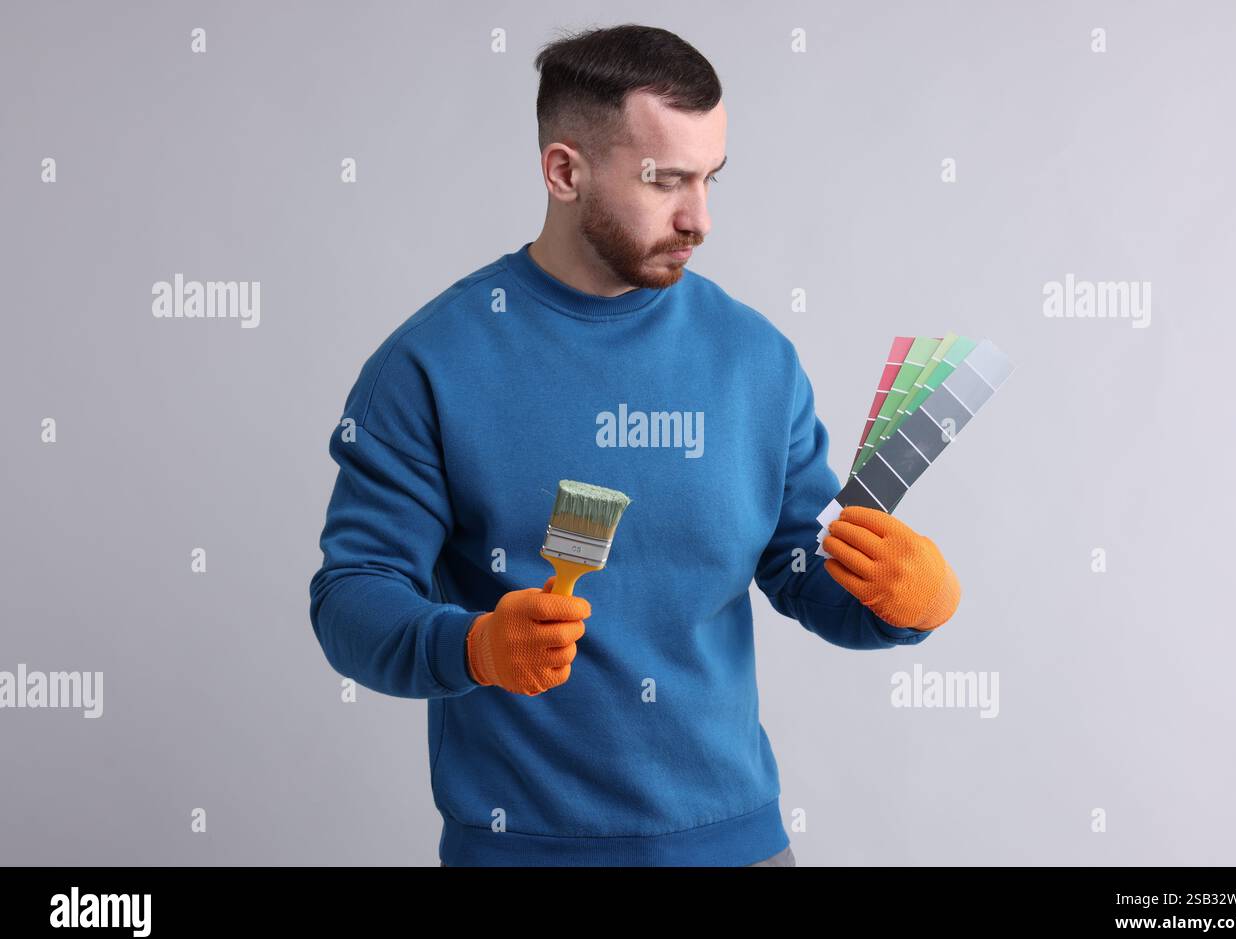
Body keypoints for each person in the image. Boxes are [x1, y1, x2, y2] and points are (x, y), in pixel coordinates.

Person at [308, 23, 961, 867]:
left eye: (711, 179)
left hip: (740, 850)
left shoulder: (754, 359)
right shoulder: (430, 365)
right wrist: (472, 646)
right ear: (564, 171)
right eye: (667, 180)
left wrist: (906, 606)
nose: (700, 219)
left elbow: (806, 572)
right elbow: (351, 598)